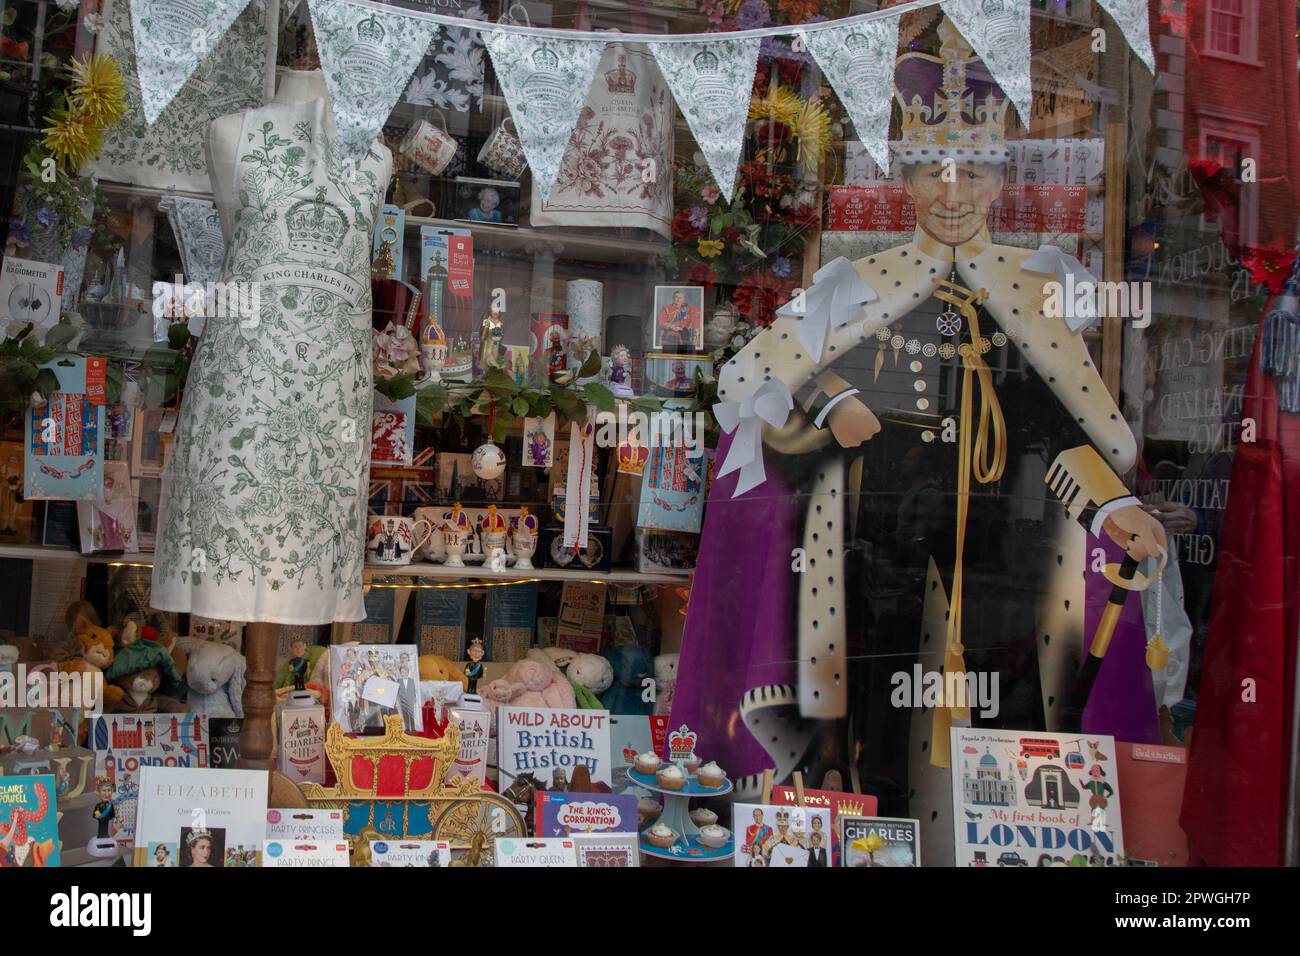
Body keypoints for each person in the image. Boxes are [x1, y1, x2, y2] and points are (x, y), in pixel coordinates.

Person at [675, 16, 1167, 811]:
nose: (951, 193)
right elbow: (760, 378)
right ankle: (869, 823)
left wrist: (1114, 505)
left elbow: (1058, 420)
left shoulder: (1032, 293)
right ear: (904, 179)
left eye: (971, 174)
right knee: (870, 698)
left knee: (1009, 694)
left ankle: (1005, 838)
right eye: (933, 172)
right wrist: (834, 401)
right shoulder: (859, 283)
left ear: (1000, 182)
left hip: (1008, 543)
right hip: (873, 535)